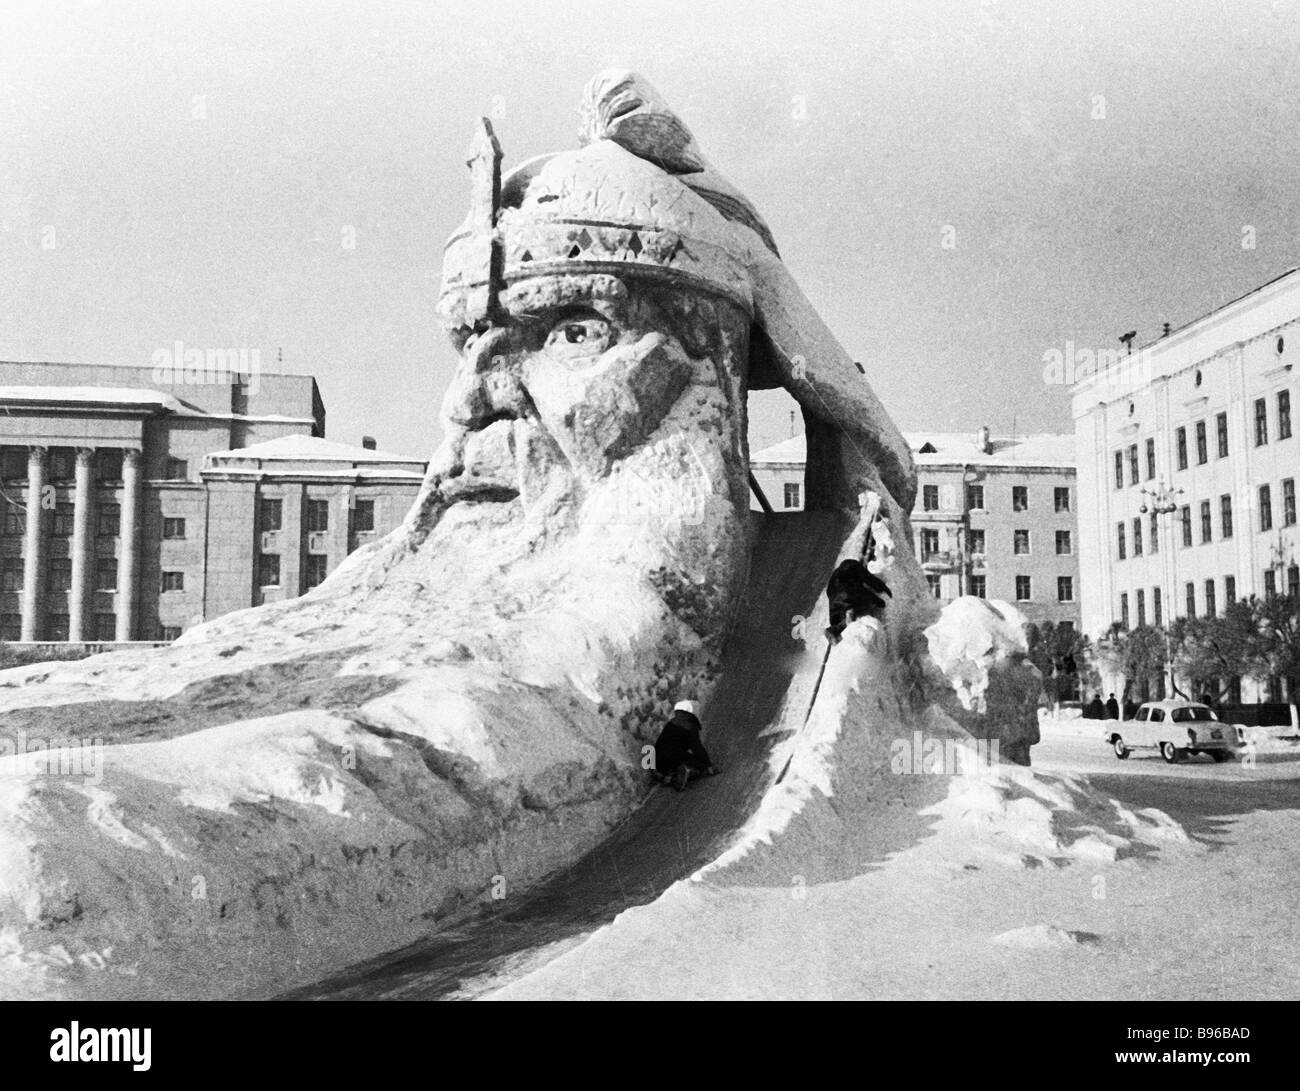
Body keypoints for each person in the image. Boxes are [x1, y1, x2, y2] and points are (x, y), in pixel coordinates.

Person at [652, 700, 720, 791]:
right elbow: (697, 749)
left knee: (674, 753)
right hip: (672, 758)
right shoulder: (690, 727)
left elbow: (661, 743)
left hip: (657, 760)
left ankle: (666, 776)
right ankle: (680, 773)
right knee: (699, 765)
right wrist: (708, 766)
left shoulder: (671, 723)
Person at [824, 556, 891, 644]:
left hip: (834, 592)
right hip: (846, 593)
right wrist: (881, 596)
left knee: (839, 609)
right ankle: (837, 629)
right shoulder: (855, 568)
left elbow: (832, 600)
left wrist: (833, 622)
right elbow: (869, 582)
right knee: (854, 607)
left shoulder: (838, 573)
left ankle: (835, 629)